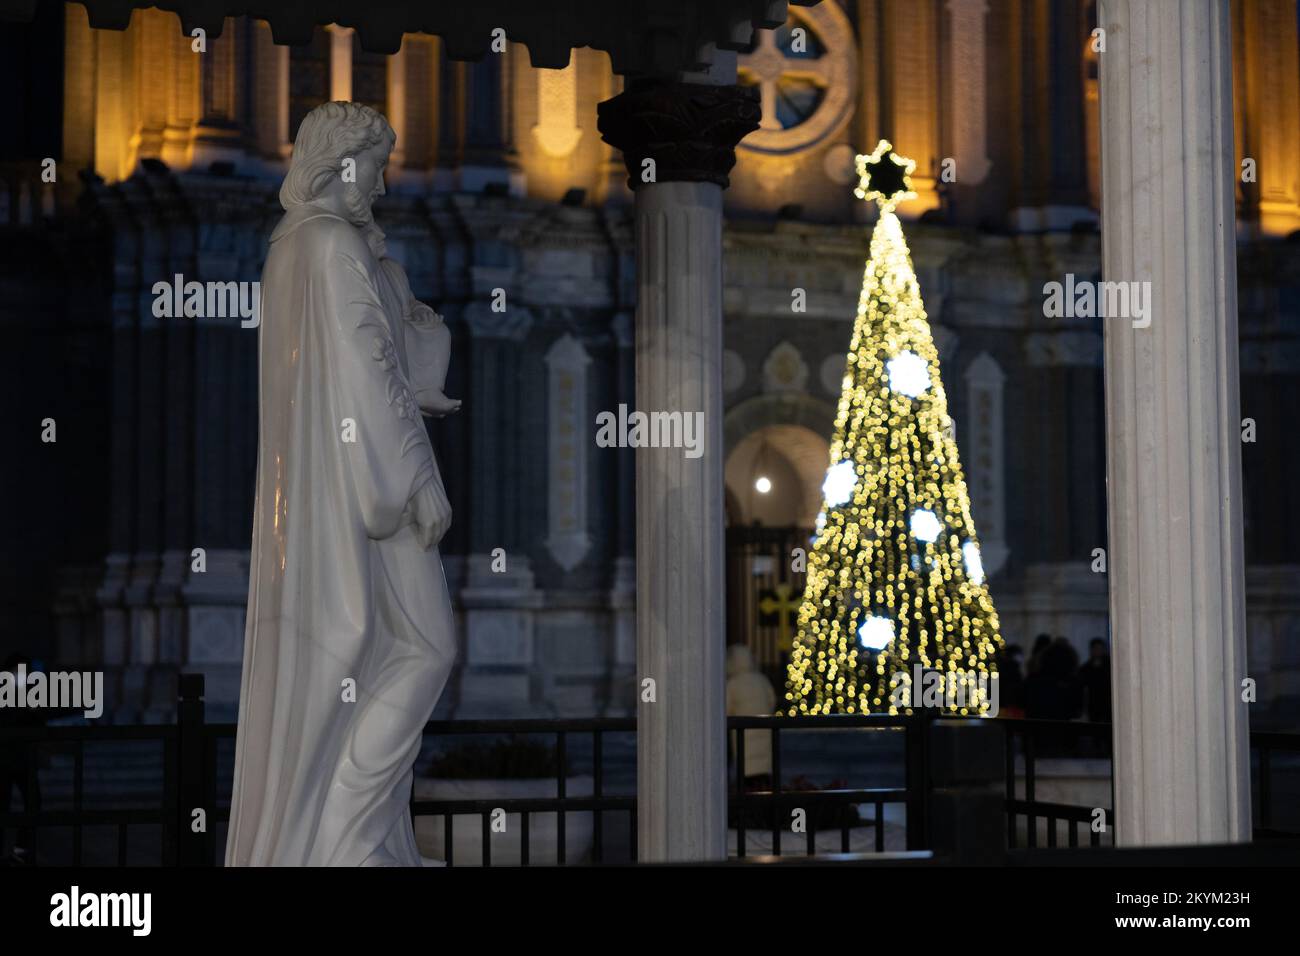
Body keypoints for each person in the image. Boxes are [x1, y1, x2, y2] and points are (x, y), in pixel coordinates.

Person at [226, 101, 460, 866]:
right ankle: (351, 841)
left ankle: (350, 836)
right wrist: (416, 476)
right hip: (369, 491)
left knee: (388, 650)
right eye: (377, 168)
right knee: (425, 648)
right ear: (339, 163)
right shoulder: (331, 243)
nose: (383, 186)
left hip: (336, 487)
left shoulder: (295, 246)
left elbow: (362, 362)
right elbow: (364, 365)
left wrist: (415, 349)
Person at [725, 644, 777, 788]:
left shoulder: (733, 684)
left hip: (743, 734)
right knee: (763, 770)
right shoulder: (762, 680)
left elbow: (727, 709)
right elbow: (772, 701)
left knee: (746, 767)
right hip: (764, 731)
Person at [1079, 638, 1112, 724]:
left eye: (1100, 649)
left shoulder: (1110, 667)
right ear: (1091, 650)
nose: (1098, 651)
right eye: (1096, 649)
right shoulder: (1085, 669)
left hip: (1108, 704)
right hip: (1093, 705)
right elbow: (1083, 690)